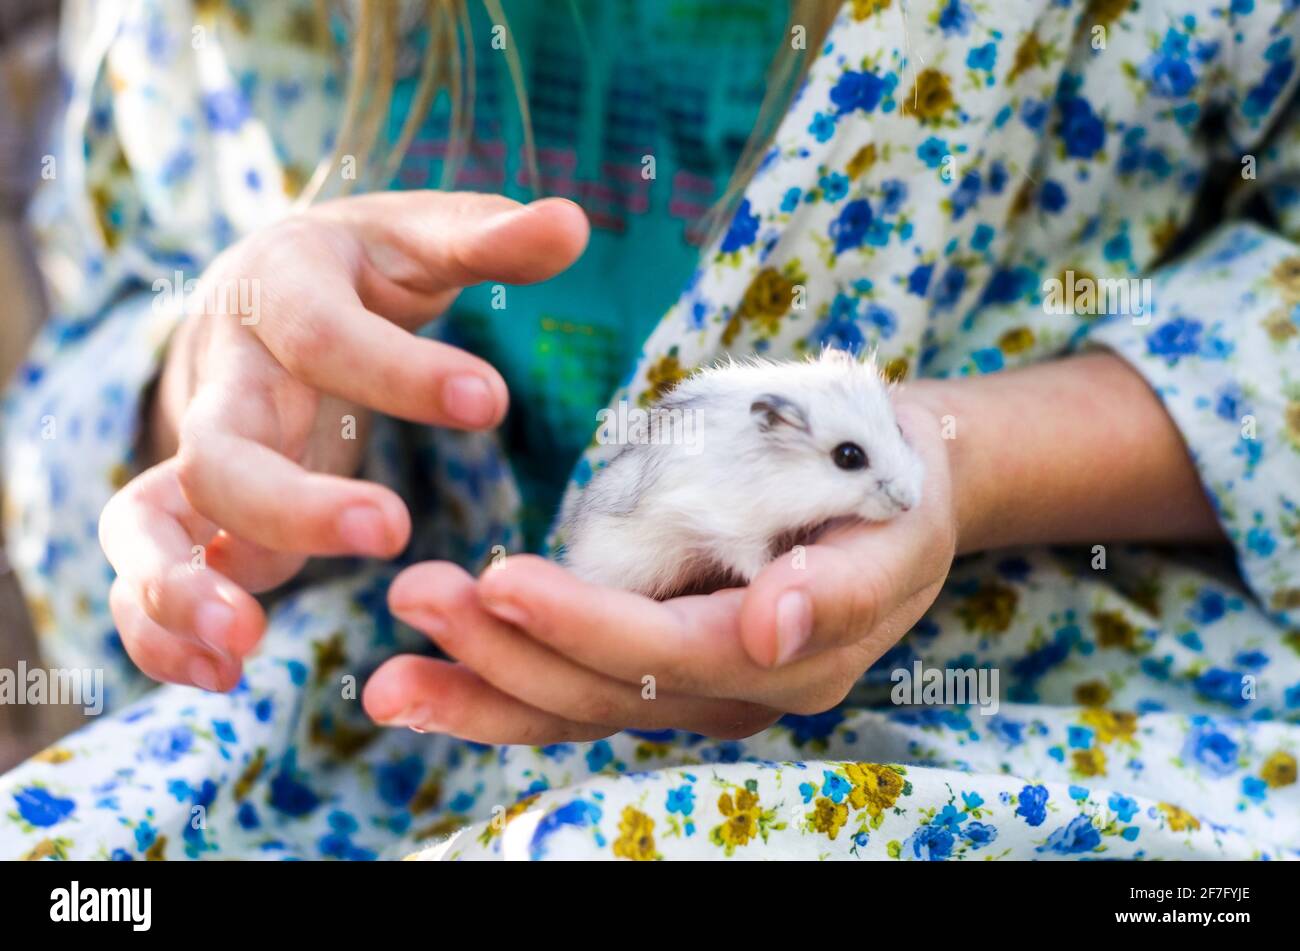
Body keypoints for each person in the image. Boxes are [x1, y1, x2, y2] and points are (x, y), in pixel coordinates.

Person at [2, 0, 1298, 860]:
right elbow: (131, 275)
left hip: (1047, 685)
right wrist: (237, 402)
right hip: (369, 700)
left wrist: (968, 463)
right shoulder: (210, 28)